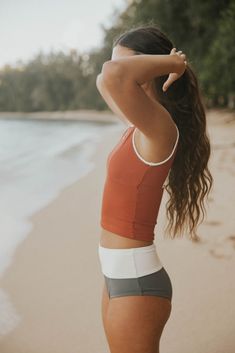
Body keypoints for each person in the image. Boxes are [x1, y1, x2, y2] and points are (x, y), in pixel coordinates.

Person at [96, 24, 213, 353]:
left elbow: (111, 75)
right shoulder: (138, 125)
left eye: (130, 64)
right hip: (117, 275)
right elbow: (104, 80)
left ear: (155, 71)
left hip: (137, 283)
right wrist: (165, 63)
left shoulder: (160, 129)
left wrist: (175, 64)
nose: (117, 68)